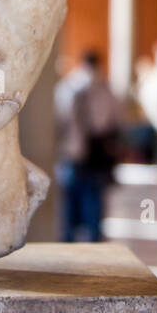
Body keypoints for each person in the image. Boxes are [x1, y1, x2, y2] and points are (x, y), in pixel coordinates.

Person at [55, 50, 122, 242]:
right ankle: (94, 240)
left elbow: (58, 121)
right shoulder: (105, 88)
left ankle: (67, 240)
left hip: (72, 152)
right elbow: (118, 119)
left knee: (69, 200)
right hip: (97, 153)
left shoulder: (67, 87)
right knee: (94, 198)